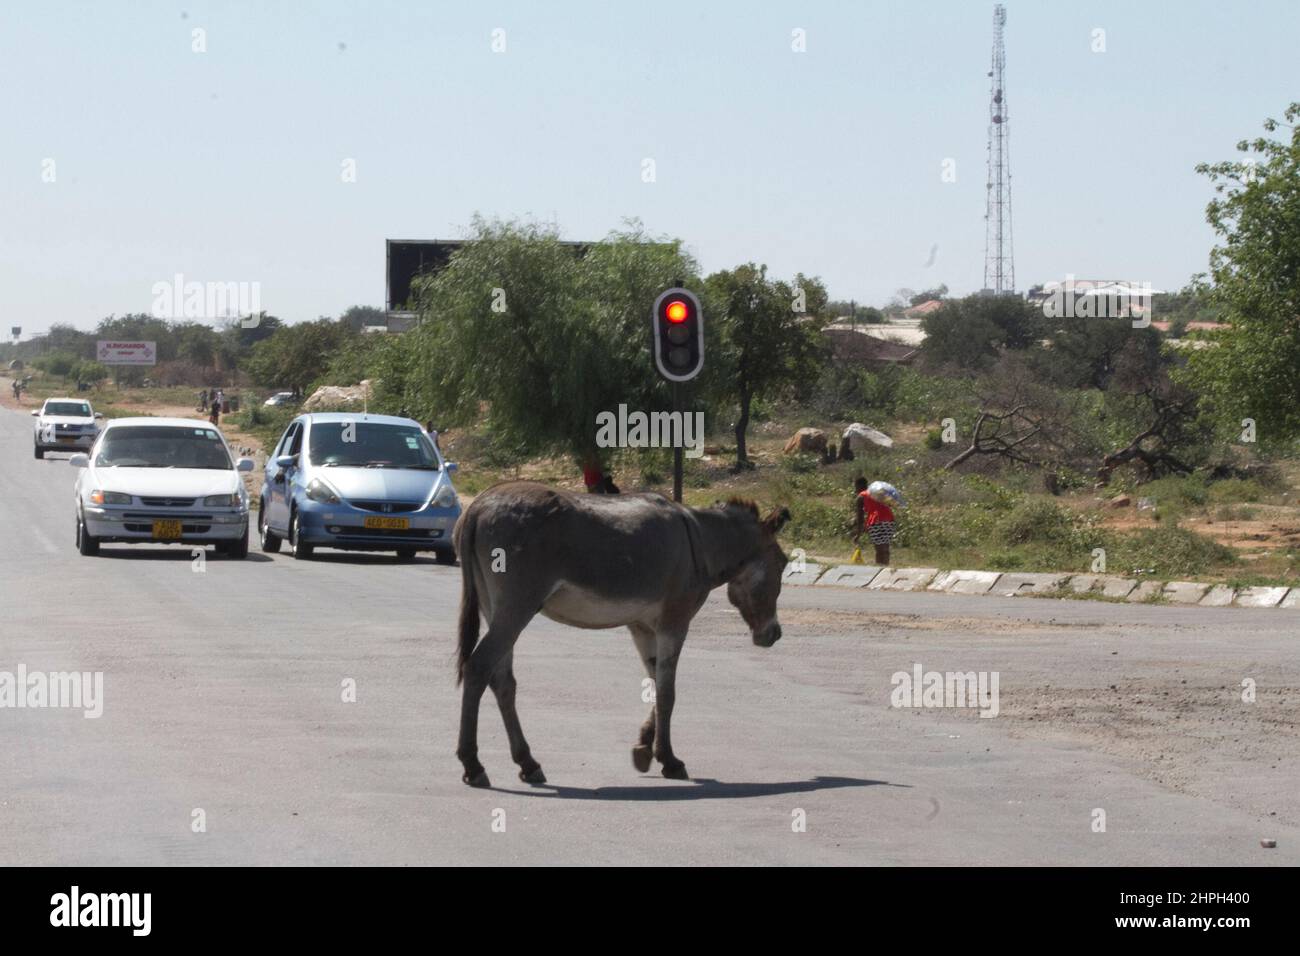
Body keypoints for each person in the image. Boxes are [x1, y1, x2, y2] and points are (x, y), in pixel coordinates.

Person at [853, 476, 904, 566]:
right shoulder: (877, 492)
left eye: (855, 487)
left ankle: (879, 568)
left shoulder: (861, 496)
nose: (855, 489)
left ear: (858, 486)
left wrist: (858, 534)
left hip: (876, 521)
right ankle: (885, 567)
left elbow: (860, 518)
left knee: (879, 549)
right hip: (889, 520)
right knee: (885, 547)